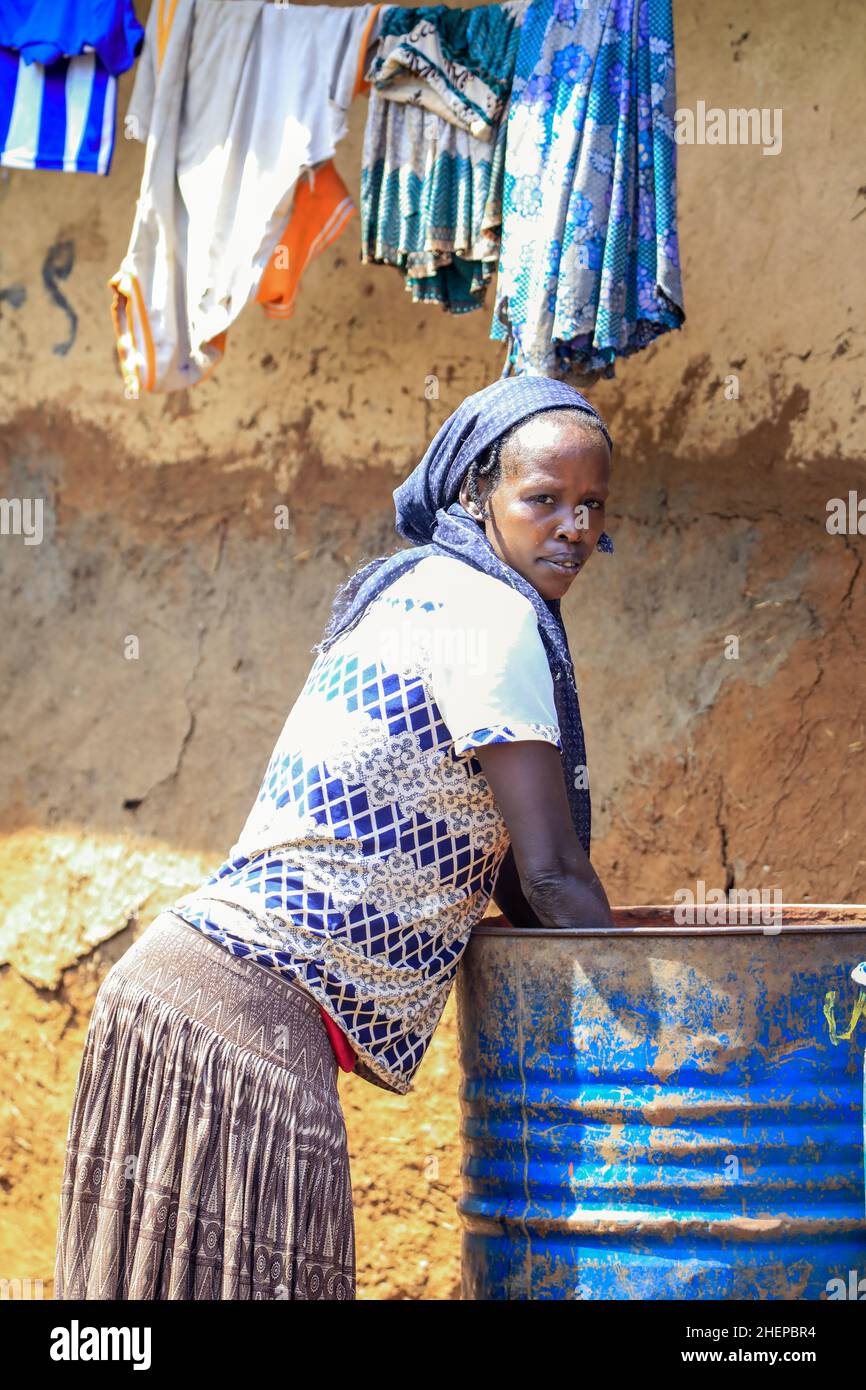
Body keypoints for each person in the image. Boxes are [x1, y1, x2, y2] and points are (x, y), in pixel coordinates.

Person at [53, 375, 616, 1302]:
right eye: (543, 499)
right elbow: (552, 875)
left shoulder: (414, 593)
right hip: (247, 1030)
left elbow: (515, 874)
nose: (574, 527)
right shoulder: (495, 616)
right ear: (480, 493)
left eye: (593, 505)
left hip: (167, 998)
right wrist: (666, 1018)